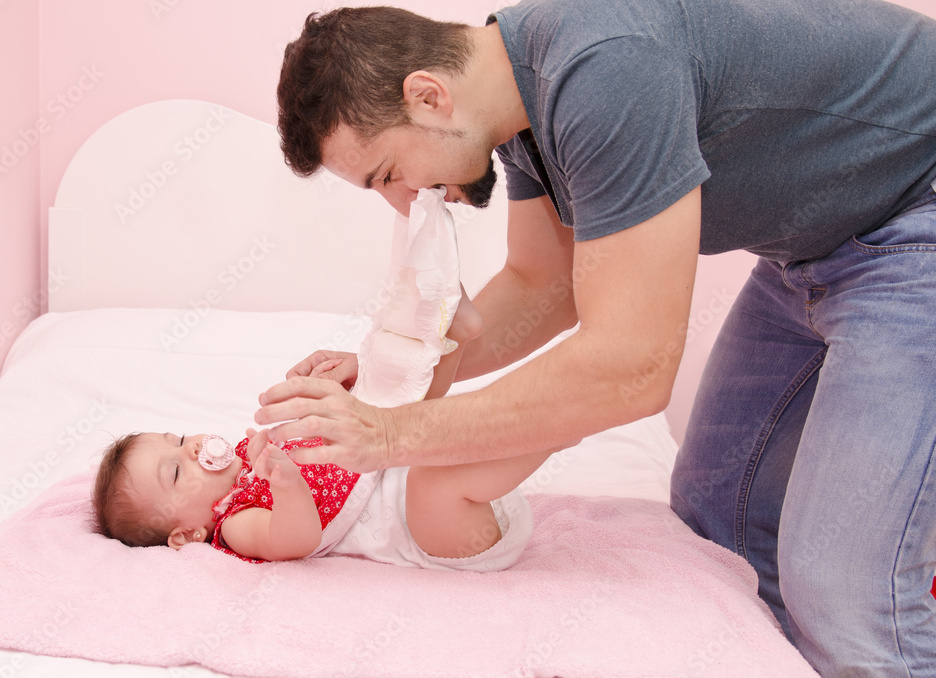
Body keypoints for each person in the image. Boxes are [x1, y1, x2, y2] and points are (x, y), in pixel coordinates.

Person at [264, 0, 936, 674]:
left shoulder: (607, 67)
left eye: (388, 173)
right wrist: (393, 374)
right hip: (821, 246)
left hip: (916, 212)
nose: (405, 200)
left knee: (846, 593)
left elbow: (632, 368)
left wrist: (390, 437)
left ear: (428, 96)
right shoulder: (519, 103)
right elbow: (541, 286)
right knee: (718, 519)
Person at [92, 301, 557, 569]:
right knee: (432, 481)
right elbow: (292, 541)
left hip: (401, 470)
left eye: (177, 439)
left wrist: (333, 394)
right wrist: (286, 483)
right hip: (438, 538)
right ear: (186, 533)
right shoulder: (234, 525)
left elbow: (337, 437)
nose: (190, 448)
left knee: (408, 410)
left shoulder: (251, 453)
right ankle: (557, 426)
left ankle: (453, 338)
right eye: (175, 469)